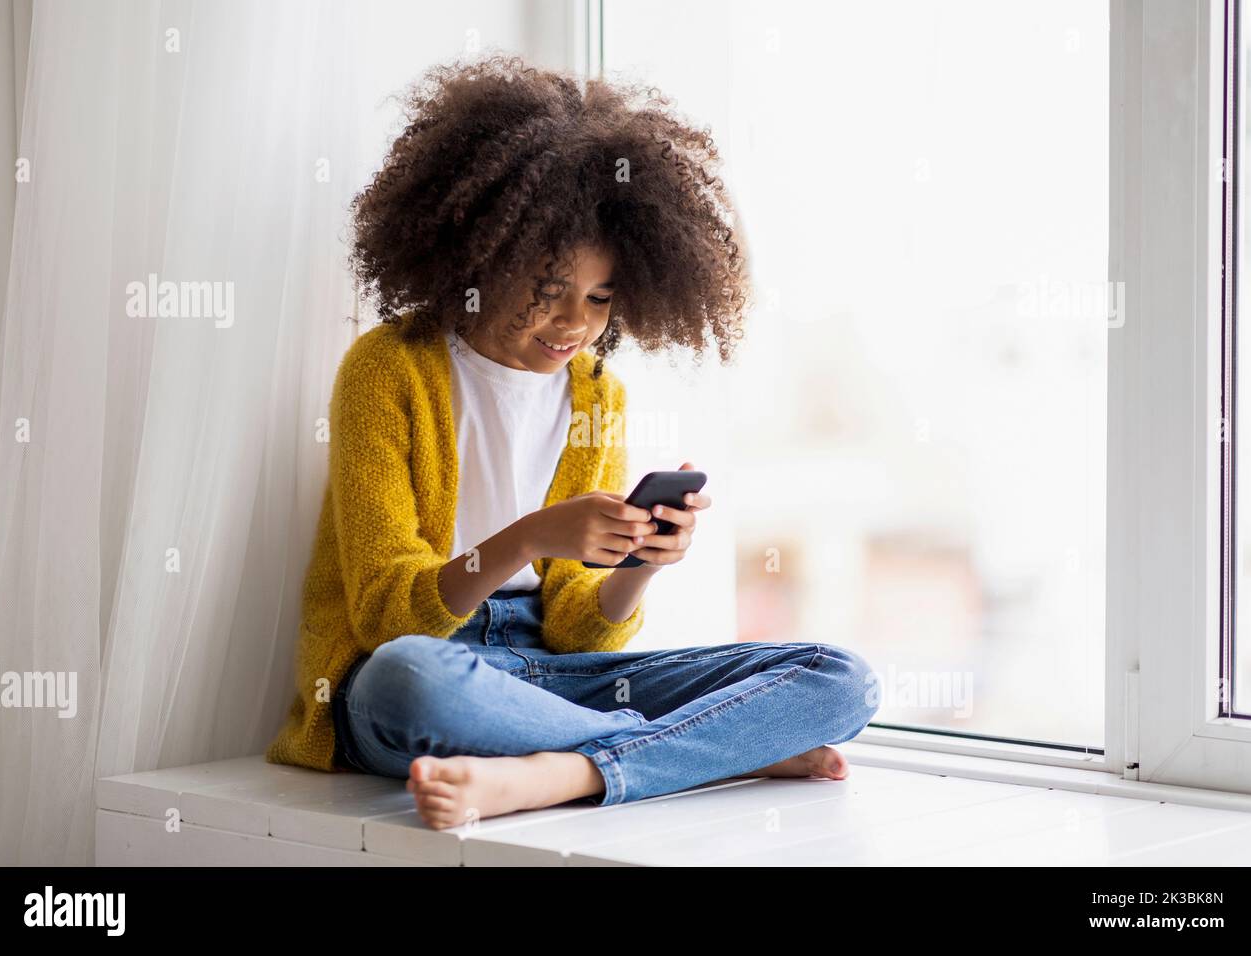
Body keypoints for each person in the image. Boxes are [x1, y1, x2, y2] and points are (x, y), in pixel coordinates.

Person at [266, 54, 881, 829]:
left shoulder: (596, 393)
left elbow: (576, 629)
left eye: (600, 299)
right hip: (437, 673)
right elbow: (391, 619)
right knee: (406, 679)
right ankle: (704, 751)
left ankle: (564, 770)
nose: (576, 325)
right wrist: (531, 537)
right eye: (547, 292)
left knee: (839, 679)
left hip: (556, 683)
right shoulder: (388, 369)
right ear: (479, 258)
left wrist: (638, 567)